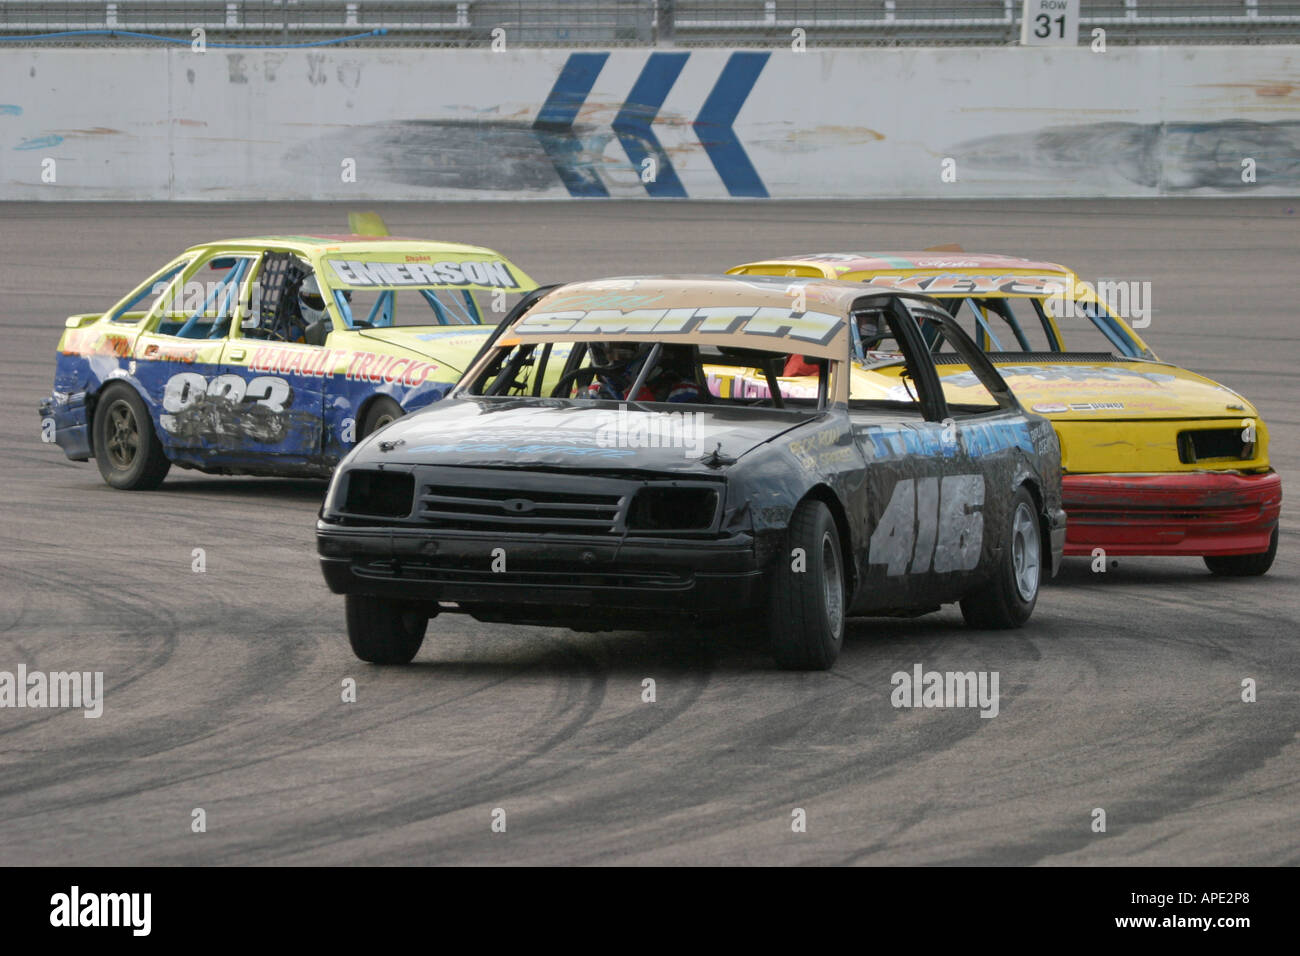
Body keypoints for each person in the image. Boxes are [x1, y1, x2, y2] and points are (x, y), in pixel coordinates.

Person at [580, 342, 704, 403]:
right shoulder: (593, 392)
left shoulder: (685, 392)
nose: (615, 359)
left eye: (624, 353)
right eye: (609, 353)